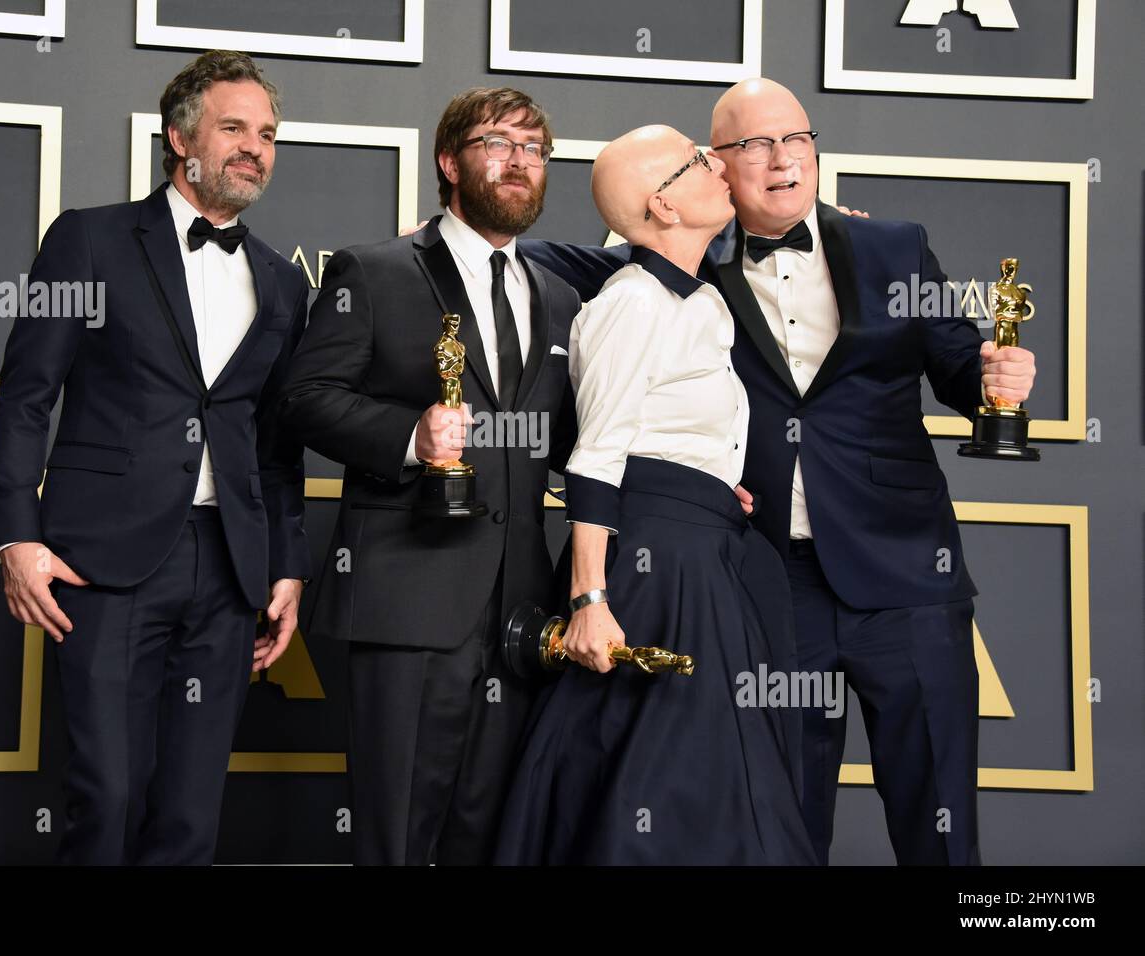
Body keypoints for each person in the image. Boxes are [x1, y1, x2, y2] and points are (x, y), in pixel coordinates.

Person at [520, 78, 1037, 865]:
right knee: (781, 824)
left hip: (905, 575)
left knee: (941, 822)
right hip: (767, 584)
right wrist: (458, 236)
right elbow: (565, 254)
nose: (782, 158)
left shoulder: (894, 245)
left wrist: (997, 381)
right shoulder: (686, 260)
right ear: (718, 167)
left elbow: (959, 364)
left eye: (796, 138)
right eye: (754, 145)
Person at [0, 51, 310, 865]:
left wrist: (286, 565)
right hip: (105, 561)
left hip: (229, 569)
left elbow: (275, 440)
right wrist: (17, 537)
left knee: (192, 815)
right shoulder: (88, 238)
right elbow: (26, 396)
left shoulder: (282, 282)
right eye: (233, 128)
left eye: (266, 134)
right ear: (179, 137)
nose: (254, 148)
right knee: (108, 796)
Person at [495, 126, 815, 865]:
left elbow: (663, 434)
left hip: (707, 556)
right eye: (698, 160)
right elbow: (598, 455)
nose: (719, 161)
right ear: (662, 205)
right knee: (663, 785)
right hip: (652, 571)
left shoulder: (700, 302)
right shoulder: (631, 302)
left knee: (720, 788)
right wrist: (588, 602)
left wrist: (706, 487)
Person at [279, 88, 581, 866]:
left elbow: (580, 440)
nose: (520, 161)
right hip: (409, 600)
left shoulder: (561, 297)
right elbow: (305, 401)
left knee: (490, 836)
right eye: (497, 143)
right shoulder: (374, 272)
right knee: (398, 833)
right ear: (449, 161)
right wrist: (408, 434)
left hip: (521, 614)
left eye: (535, 149)